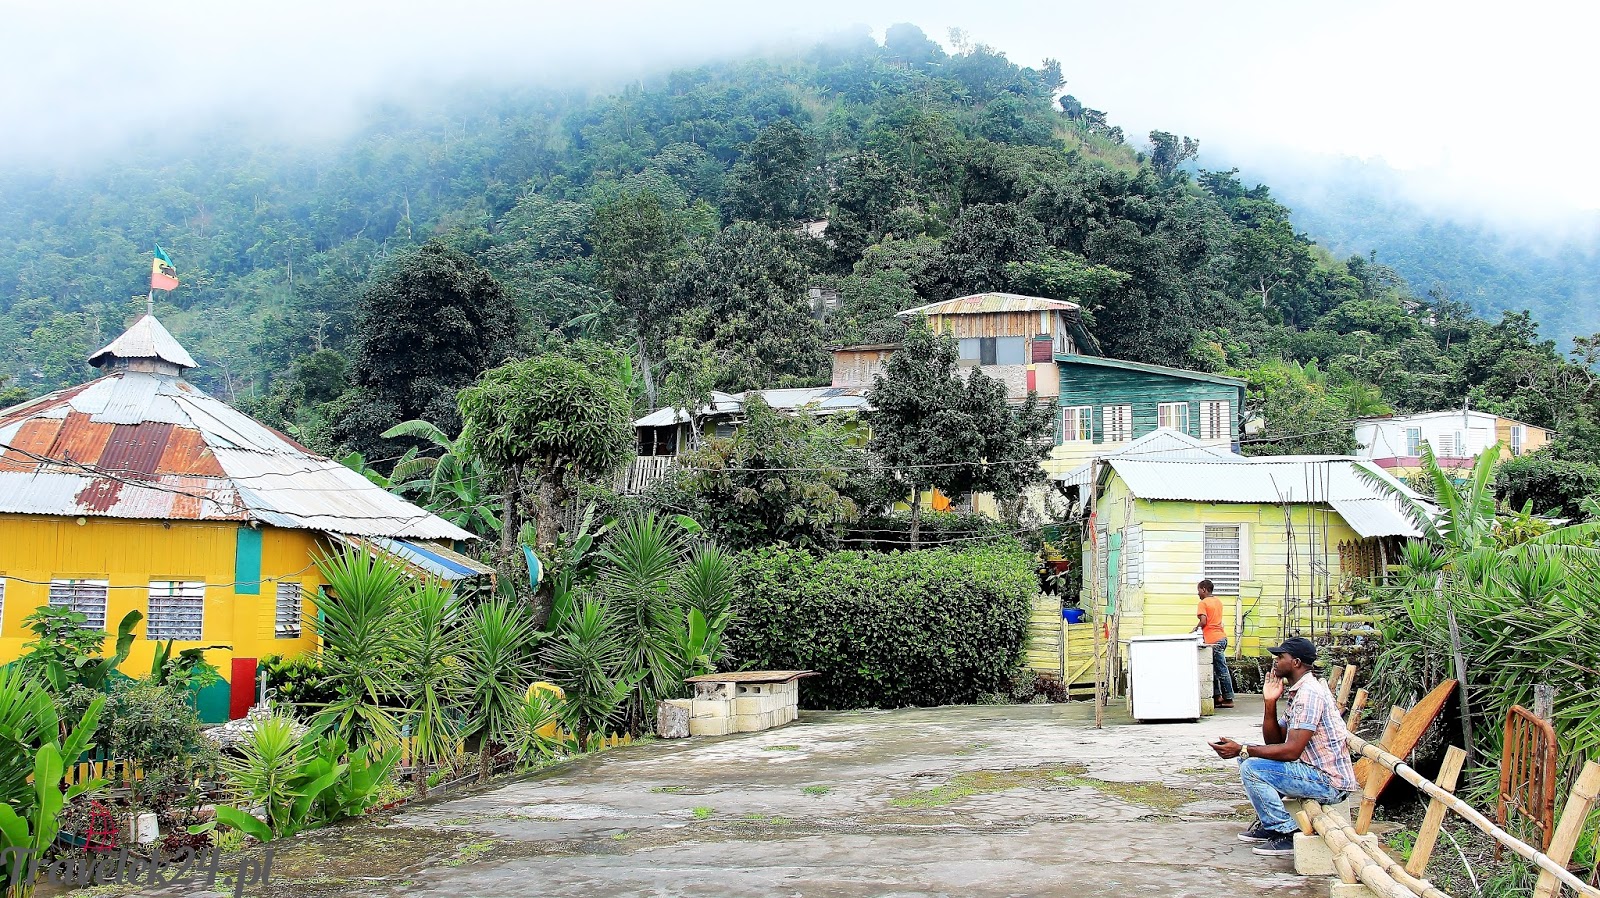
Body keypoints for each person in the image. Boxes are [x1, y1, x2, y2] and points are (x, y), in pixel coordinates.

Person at [1208, 636, 1358, 858]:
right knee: (1246, 760)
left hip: (1329, 782)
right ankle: (1271, 824)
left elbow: (1290, 751)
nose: (1275, 661)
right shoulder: (1299, 691)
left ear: (1296, 663)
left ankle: (1284, 831)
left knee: (1251, 766)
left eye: (1280, 657)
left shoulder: (1309, 695)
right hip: (1312, 772)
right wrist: (1269, 703)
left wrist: (1243, 748)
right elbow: (1274, 742)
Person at [1194, 580, 1235, 709]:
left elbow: (1204, 621)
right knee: (1215, 670)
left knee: (1221, 670)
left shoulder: (1203, 603)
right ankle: (1217, 697)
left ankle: (1228, 699)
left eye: (1199, 590)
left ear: (1204, 589)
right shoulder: (1218, 601)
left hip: (1213, 641)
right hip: (1222, 638)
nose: (1198, 593)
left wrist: (1195, 629)